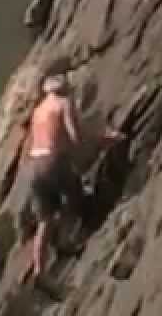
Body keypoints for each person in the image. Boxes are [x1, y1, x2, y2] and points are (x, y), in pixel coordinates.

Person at [22, 70, 124, 278]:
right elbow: (76, 136)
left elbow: (42, 139)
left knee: (45, 219)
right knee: (77, 197)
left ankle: (39, 270)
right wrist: (104, 138)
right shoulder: (63, 103)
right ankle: (83, 234)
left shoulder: (39, 111)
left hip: (34, 165)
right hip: (53, 161)